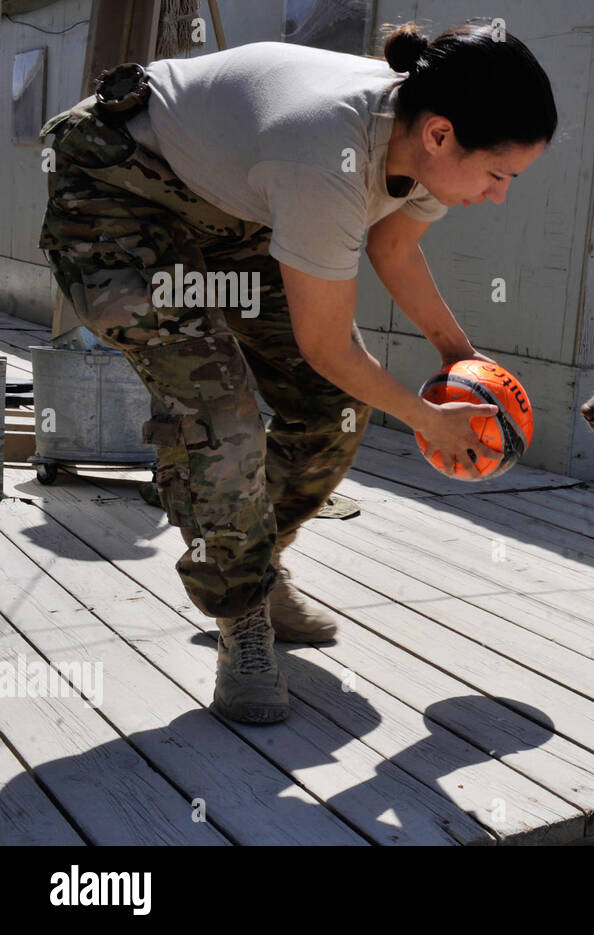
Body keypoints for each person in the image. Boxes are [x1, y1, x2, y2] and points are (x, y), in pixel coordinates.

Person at [37, 22, 558, 724]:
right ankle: (241, 615)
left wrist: (457, 355)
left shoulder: (425, 137)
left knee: (330, 405)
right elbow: (326, 344)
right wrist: (429, 418)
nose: (500, 195)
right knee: (220, 414)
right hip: (116, 189)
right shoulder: (328, 155)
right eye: (499, 174)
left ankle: (258, 559)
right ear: (440, 135)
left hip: (232, 205)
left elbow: (394, 247)